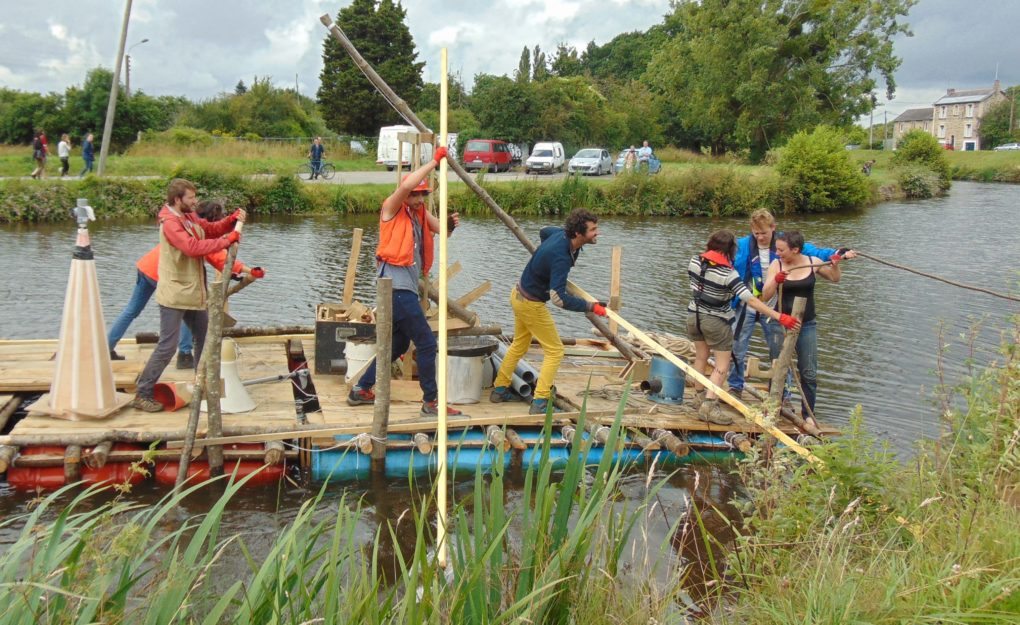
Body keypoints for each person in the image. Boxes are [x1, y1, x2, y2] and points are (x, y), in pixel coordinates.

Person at [346, 146, 465, 418]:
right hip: (395, 288)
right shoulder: (390, 209)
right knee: (426, 343)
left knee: (398, 346)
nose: (419, 198)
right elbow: (407, 183)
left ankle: (361, 389)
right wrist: (434, 161)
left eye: (422, 194)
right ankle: (431, 402)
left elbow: (441, 230)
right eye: (415, 194)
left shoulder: (418, 213)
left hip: (404, 289)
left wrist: (450, 224)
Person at [131, 180, 246, 412]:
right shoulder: (171, 223)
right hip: (175, 294)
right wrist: (227, 240)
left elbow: (208, 229)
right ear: (177, 199)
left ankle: (201, 384)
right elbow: (192, 247)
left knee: (204, 340)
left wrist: (230, 222)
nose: (195, 202)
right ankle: (143, 392)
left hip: (193, 293)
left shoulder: (188, 217)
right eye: (191, 198)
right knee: (168, 346)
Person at [107, 201, 260, 368]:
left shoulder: (187, 226)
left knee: (132, 310)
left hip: (146, 267)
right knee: (190, 306)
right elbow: (220, 258)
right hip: (163, 273)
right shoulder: (200, 235)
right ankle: (185, 354)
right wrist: (249, 270)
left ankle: (107, 348)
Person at [490, 208, 608, 415]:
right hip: (531, 304)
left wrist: (543, 259)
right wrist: (591, 306)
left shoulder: (560, 234)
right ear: (578, 233)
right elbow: (558, 299)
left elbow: (544, 231)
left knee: (519, 344)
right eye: (593, 230)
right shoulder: (560, 257)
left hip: (517, 294)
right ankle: (540, 401)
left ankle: (499, 390)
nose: (597, 233)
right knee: (555, 351)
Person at [726, 208, 854, 398]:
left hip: (775, 307)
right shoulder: (743, 245)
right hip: (749, 304)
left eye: (764, 233)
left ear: (773, 228)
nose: (760, 237)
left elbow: (811, 251)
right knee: (737, 345)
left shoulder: (783, 244)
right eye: (756, 233)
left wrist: (836, 253)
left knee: (780, 352)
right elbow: (725, 259)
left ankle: (781, 392)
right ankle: (735, 385)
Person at [687, 230, 799, 425]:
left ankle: (698, 396)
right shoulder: (728, 274)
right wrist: (778, 316)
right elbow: (751, 300)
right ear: (730, 250)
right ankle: (709, 406)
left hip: (693, 316)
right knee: (722, 366)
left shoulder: (695, 262)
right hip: (716, 321)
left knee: (701, 358)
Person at [760, 230, 842, 427]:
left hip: (807, 324)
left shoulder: (812, 262)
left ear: (795, 250)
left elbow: (834, 278)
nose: (777, 253)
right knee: (778, 368)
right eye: (776, 249)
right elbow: (765, 295)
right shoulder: (776, 264)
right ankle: (773, 409)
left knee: (809, 371)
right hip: (781, 323)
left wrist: (836, 265)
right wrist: (775, 280)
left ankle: (808, 415)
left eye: (781, 250)